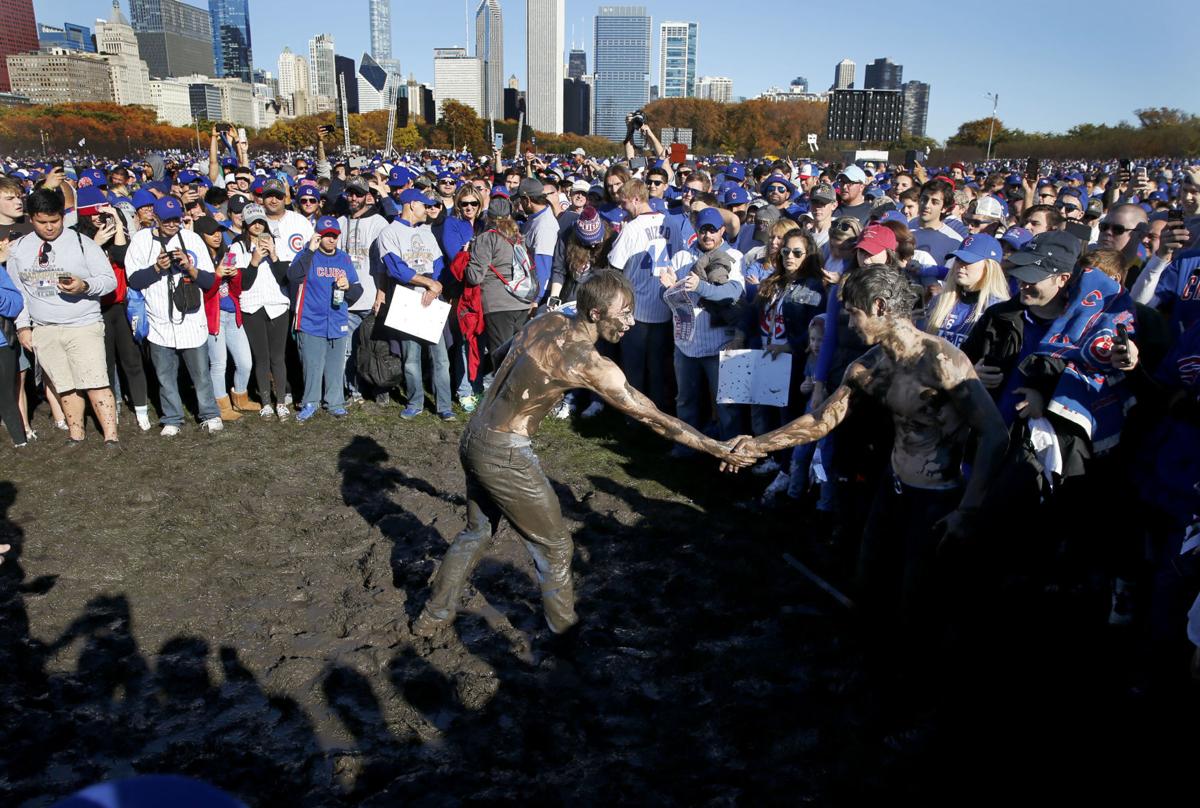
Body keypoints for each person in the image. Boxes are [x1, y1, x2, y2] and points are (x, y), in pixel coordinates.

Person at [411, 270, 760, 639]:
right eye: (623, 313)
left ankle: (432, 615)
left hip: (474, 435)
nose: (630, 323)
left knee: (476, 531)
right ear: (595, 314)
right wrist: (715, 446)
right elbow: (653, 418)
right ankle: (564, 633)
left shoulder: (548, 318)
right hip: (504, 452)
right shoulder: (587, 362)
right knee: (557, 546)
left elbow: (499, 356)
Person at [730, 264, 1008, 629]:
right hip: (891, 490)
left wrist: (968, 510)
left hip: (936, 500)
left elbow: (995, 433)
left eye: (852, 312)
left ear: (878, 307)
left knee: (915, 600)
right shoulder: (869, 366)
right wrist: (758, 444)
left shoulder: (942, 363)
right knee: (869, 582)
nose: (848, 321)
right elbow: (821, 420)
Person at [6, 188, 120, 446]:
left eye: (54, 221)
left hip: (83, 324)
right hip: (44, 328)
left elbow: (108, 281)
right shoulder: (19, 250)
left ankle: (111, 437)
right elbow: (19, 293)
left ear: (62, 216)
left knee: (95, 380)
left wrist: (84, 286)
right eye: (42, 222)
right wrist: (24, 326)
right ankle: (76, 434)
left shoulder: (83, 243)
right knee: (64, 385)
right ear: (31, 218)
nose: (49, 228)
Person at [125, 196, 222, 436]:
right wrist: (157, 268)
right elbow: (133, 281)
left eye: (175, 220)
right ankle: (172, 418)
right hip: (159, 320)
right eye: (166, 220)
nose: (171, 224)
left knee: (201, 374)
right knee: (165, 375)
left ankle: (209, 414)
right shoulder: (141, 240)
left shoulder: (192, 239)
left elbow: (210, 281)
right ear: (155, 218)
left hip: (191, 320)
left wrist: (189, 267)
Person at [376, 187, 453, 420]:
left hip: (432, 296)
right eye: (424, 205)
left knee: (440, 357)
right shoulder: (389, 232)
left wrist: (434, 285)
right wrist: (428, 283)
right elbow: (396, 268)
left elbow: (439, 263)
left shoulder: (426, 232)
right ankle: (415, 402)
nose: (427, 209)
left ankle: (444, 406)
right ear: (411, 205)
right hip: (407, 296)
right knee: (411, 357)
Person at [288, 216, 363, 422]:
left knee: (335, 364)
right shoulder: (307, 255)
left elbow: (357, 290)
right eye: (326, 235)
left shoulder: (343, 258)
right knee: (312, 365)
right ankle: (310, 402)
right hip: (311, 320)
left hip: (337, 319)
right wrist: (309, 250)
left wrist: (348, 287)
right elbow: (293, 276)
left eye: (334, 236)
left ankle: (335, 402)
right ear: (317, 236)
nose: (331, 239)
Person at [231, 203, 292, 419]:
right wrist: (254, 262)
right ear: (246, 225)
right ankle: (266, 401)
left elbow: (286, 278)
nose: (257, 226)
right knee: (261, 356)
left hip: (277, 305)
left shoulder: (278, 244)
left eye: (260, 221)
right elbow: (242, 284)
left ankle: (282, 401)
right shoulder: (237, 248)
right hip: (252, 306)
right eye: (253, 222)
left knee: (278, 356)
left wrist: (274, 256)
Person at [193, 215, 251, 421]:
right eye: (211, 233)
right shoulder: (198, 260)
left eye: (219, 231)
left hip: (233, 314)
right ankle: (221, 405)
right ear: (201, 236)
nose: (217, 236)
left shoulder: (227, 253)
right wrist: (217, 275)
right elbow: (206, 292)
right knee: (219, 364)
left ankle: (241, 398)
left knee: (245, 362)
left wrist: (235, 275)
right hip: (213, 318)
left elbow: (236, 290)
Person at [925, 233, 1010, 348]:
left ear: (989, 267)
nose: (961, 265)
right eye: (958, 259)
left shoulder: (999, 309)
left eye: (968, 260)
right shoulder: (941, 301)